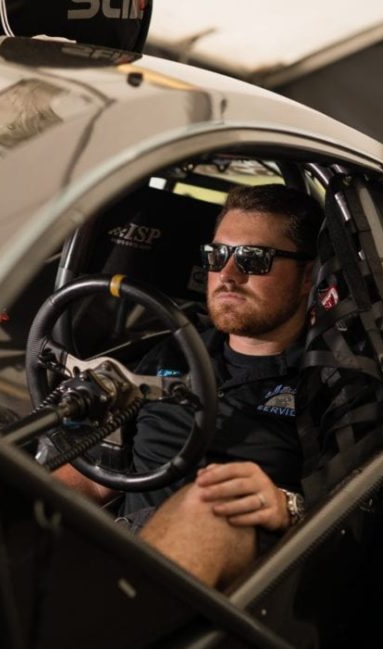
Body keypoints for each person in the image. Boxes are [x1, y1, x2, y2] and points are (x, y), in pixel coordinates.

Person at [55, 183, 322, 588]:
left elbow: (356, 505)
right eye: (218, 256)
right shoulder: (175, 351)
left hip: (239, 583)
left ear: (307, 277)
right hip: (123, 547)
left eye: (254, 258)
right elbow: (94, 476)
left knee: (208, 504)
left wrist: (288, 506)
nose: (228, 275)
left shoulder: (328, 377)